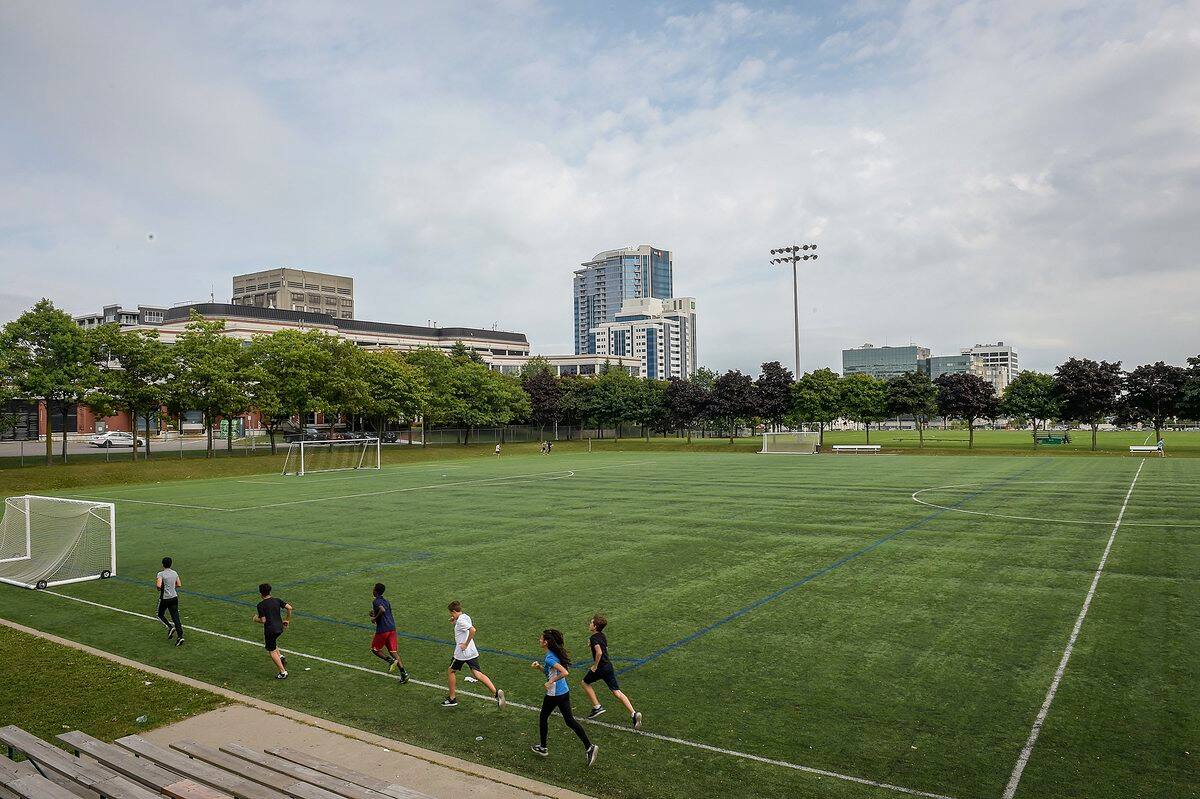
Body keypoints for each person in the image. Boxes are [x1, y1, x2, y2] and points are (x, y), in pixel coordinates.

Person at [530, 629, 598, 766]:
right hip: (564, 692)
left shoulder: (549, 656)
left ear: (546, 642)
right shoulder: (555, 653)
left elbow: (564, 672)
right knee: (570, 721)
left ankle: (543, 747)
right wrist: (539, 668)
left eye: (541, 639)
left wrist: (551, 682)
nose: (539, 640)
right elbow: (551, 672)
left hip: (554, 694)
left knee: (543, 717)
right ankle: (589, 747)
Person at [581, 614, 641, 728]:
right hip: (608, 666)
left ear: (595, 626)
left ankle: (597, 706)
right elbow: (604, 648)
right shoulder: (602, 636)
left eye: (591, 623)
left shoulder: (594, 638)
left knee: (585, 683)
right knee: (617, 692)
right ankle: (634, 714)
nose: (589, 624)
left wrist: (595, 666)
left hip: (600, 668)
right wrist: (592, 645)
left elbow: (599, 652)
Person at [443, 601, 505, 708]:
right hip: (472, 651)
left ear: (453, 611)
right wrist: (454, 620)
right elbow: (464, 626)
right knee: (478, 674)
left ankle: (452, 698)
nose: (451, 615)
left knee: (451, 671)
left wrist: (465, 644)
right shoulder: (465, 617)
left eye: (451, 613)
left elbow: (472, 630)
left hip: (462, 653)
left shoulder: (461, 622)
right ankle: (496, 693)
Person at [369, 583, 408, 683]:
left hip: (383, 630)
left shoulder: (376, 601)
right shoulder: (386, 601)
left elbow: (382, 610)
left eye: (373, 589)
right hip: (392, 628)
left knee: (375, 649)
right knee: (393, 652)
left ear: (376, 591)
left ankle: (390, 661)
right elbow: (386, 612)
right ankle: (404, 674)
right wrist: (374, 614)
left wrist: (375, 618)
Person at [253, 583, 292, 679]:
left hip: (270, 630)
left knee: (271, 651)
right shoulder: (277, 600)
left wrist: (255, 619)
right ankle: (281, 657)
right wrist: (287, 619)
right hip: (279, 628)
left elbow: (263, 620)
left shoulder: (261, 605)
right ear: (270, 591)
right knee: (273, 643)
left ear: (260, 593)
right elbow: (289, 608)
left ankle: (283, 672)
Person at [155, 557, 185, 647]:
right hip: (174, 597)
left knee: (159, 614)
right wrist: (171, 587)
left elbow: (158, 586)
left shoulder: (161, 574)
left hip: (165, 598)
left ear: (162, 564)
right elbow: (179, 584)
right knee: (176, 617)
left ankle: (169, 627)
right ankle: (180, 636)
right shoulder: (174, 573)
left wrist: (160, 588)